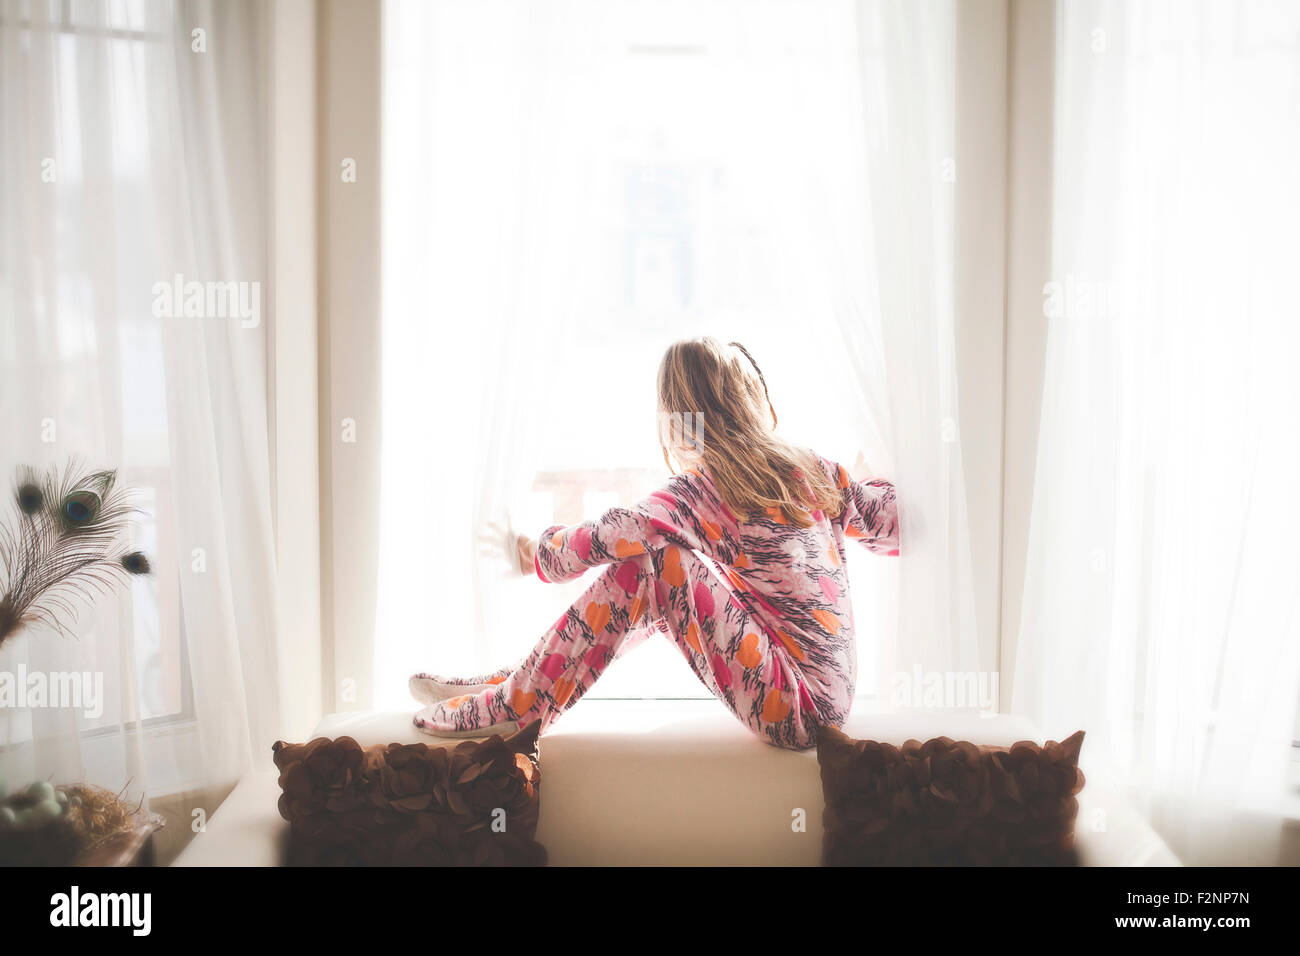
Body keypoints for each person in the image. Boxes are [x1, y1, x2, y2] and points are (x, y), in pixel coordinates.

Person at [411, 337, 899, 750]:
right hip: (825, 696)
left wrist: (538, 554)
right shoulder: (814, 470)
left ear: (679, 421)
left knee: (653, 565)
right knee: (656, 577)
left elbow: (610, 532)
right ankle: (523, 677)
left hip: (795, 708)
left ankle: (519, 702)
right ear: (754, 400)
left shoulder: (704, 492)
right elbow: (888, 520)